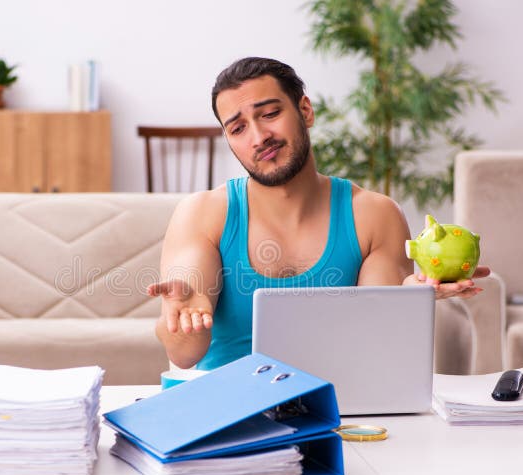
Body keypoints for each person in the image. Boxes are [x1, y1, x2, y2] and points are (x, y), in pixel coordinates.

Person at [147, 57, 489, 371]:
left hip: (341, 408)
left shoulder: (373, 215)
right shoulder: (203, 214)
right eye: (238, 129)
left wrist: (410, 299)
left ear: (305, 110)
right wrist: (180, 319)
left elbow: (377, 347)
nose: (259, 137)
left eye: (269, 114)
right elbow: (184, 355)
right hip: (231, 421)